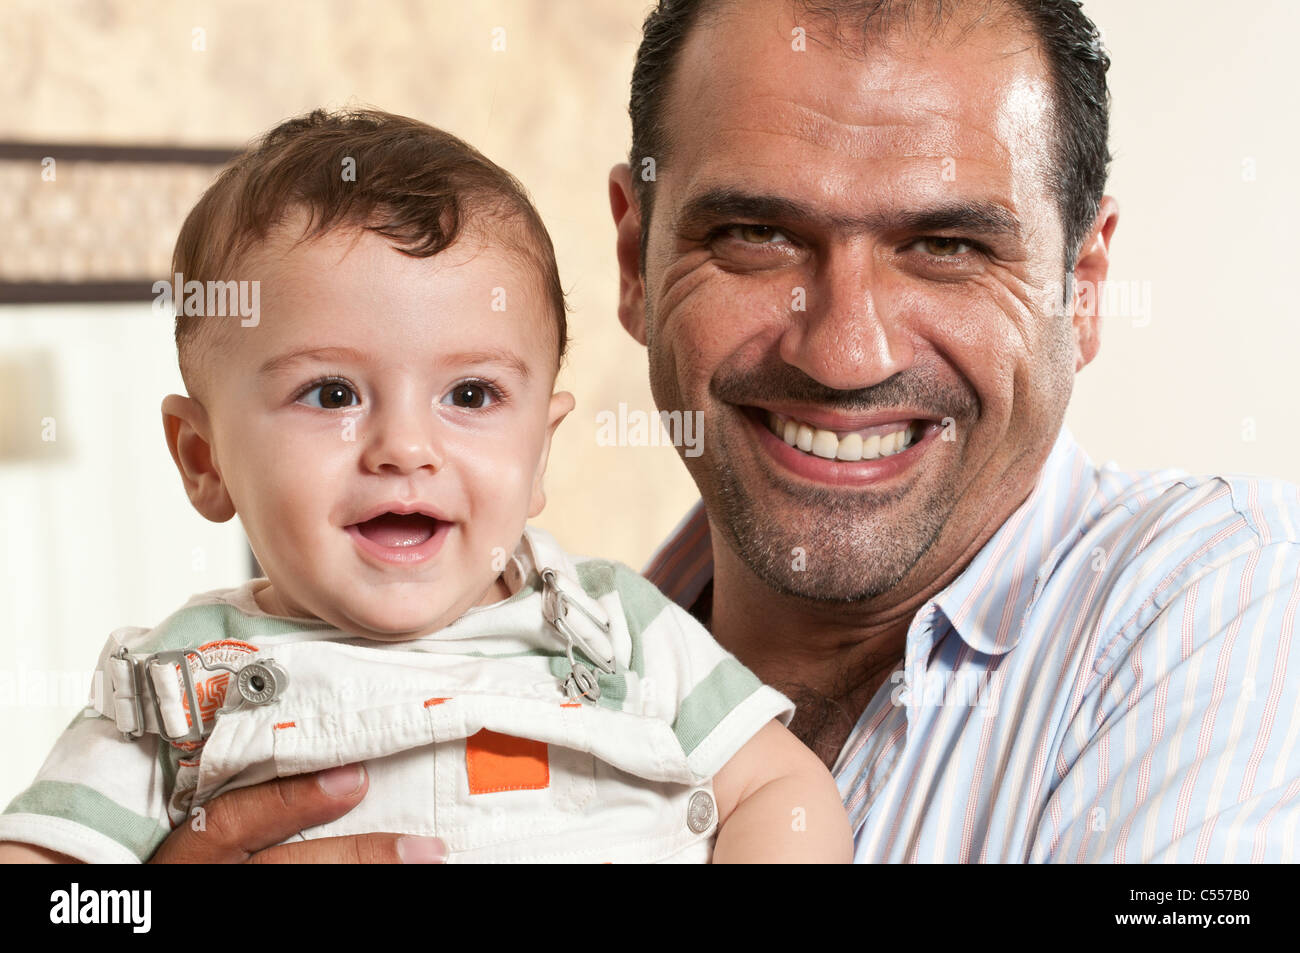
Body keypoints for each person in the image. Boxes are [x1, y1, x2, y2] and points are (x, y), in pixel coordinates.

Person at [47, 0, 1298, 865]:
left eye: (947, 245)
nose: (844, 348)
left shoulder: (1212, 598)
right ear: (637, 259)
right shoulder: (599, 626)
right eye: (756, 235)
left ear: (1082, 288)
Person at [0, 108, 852, 864]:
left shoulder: (619, 630)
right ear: (203, 457)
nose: (405, 447)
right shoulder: (180, 687)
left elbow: (781, 792)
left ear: (539, 455)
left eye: (471, 395)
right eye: (330, 393)